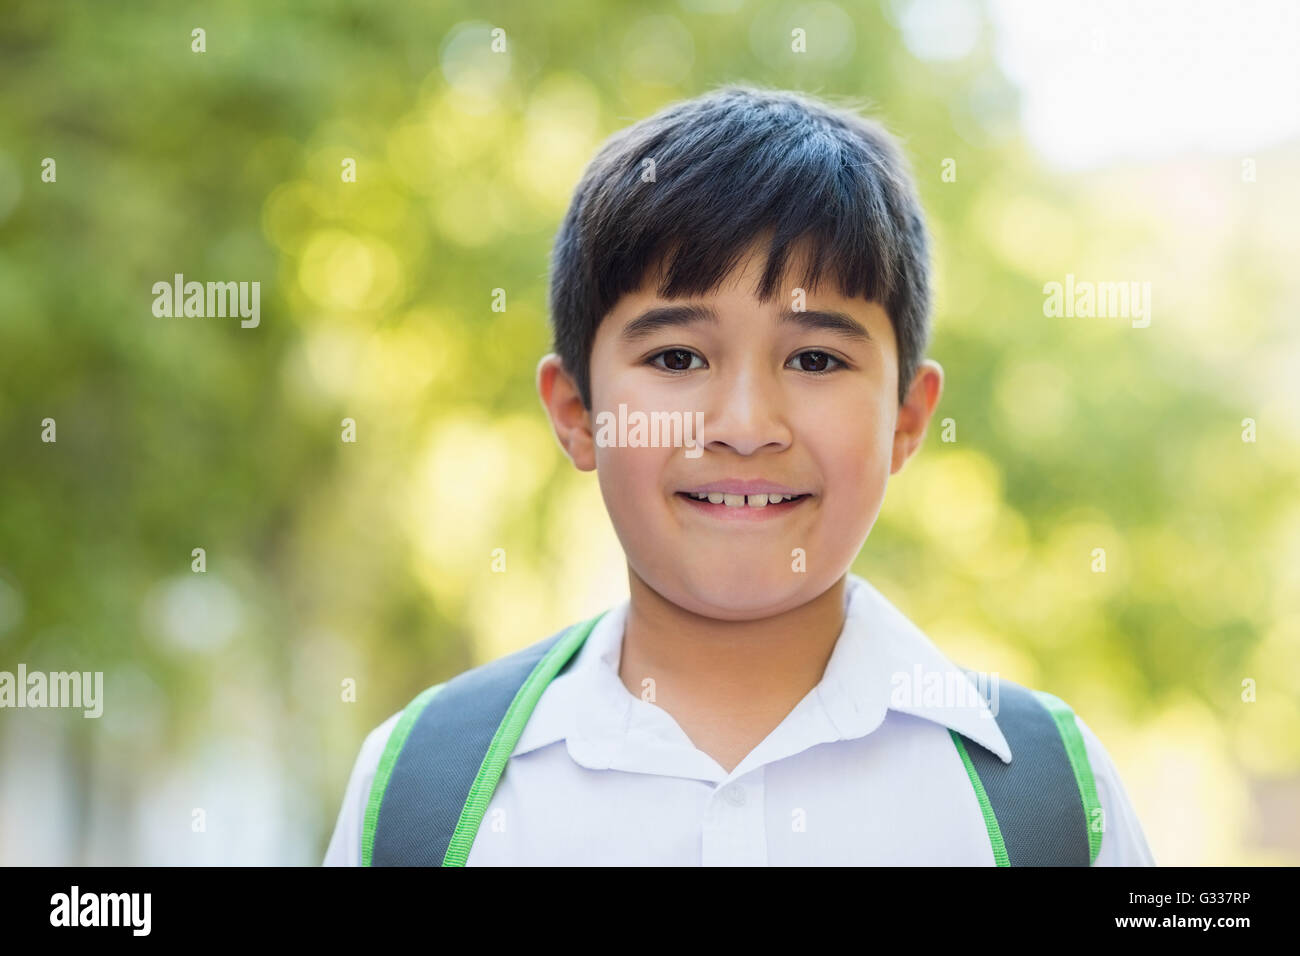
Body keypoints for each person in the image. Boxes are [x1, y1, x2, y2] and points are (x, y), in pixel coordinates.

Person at [324, 84, 1155, 866]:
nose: (746, 427)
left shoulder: (1045, 798)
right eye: (677, 356)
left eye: (817, 358)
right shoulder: (425, 795)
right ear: (577, 412)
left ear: (906, 418)